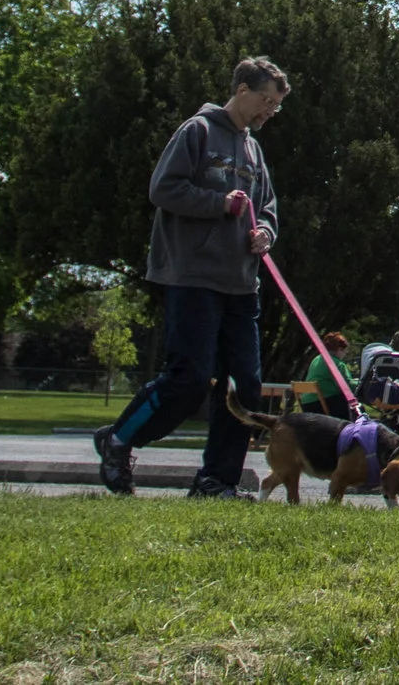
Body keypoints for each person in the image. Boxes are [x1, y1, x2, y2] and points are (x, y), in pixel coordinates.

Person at [94, 56, 287, 500]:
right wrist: (218, 204)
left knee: (246, 387)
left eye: (275, 106)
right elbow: (163, 189)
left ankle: (215, 481)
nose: (269, 112)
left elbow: (269, 204)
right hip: (193, 276)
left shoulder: (254, 150)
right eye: (265, 101)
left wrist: (265, 231)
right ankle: (120, 439)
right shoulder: (197, 132)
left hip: (241, 282)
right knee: (190, 377)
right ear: (241, 90)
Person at [303, 332, 354, 411]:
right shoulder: (337, 363)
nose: (345, 354)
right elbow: (347, 386)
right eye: (345, 351)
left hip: (307, 405)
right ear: (339, 349)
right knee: (356, 406)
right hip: (323, 405)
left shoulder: (317, 359)